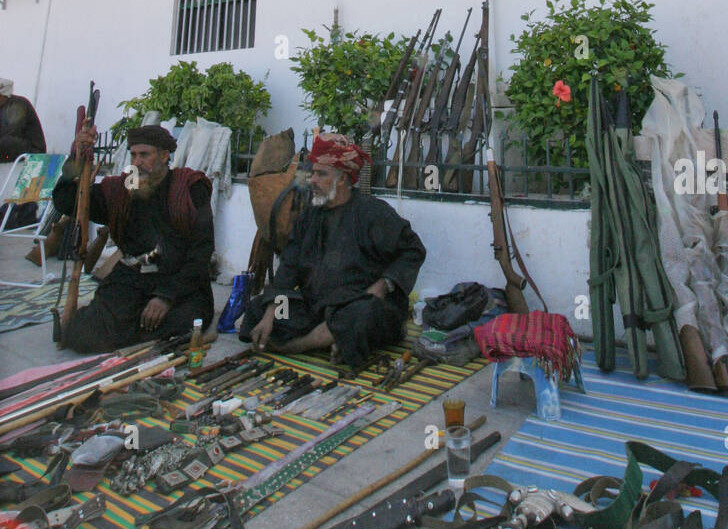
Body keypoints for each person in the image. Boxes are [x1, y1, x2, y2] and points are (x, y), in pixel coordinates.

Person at [240, 133, 426, 371]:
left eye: (321, 174)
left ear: (341, 179)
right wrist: (271, 313)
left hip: (358, 304)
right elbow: (288, 269)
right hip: (316, 308)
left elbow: (413, 250)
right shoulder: (309, 216)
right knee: (258, 310)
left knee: (360, 317)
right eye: (312, 173)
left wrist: (383, 286)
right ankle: (331, 339)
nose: (312, 180)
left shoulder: (373, 213)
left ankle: (300, 345)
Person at [52, 123, 214, 352]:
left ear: (164, 155)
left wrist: (165, 297)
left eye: (144, 155)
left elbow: (201, 252)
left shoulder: (188, 189)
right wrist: (75, 158)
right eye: (133, 155)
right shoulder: (123, 189)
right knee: (82, 334)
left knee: (185, 322)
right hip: (131, 279)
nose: (137, 162)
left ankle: (134, 330)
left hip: (179, 282)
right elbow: (67, 202)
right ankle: (133, 329)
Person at [0, 78, 47, 228]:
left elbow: (11, 134)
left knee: (6, 142)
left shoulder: (17, 105)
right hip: (13, 151)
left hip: (31, 149)